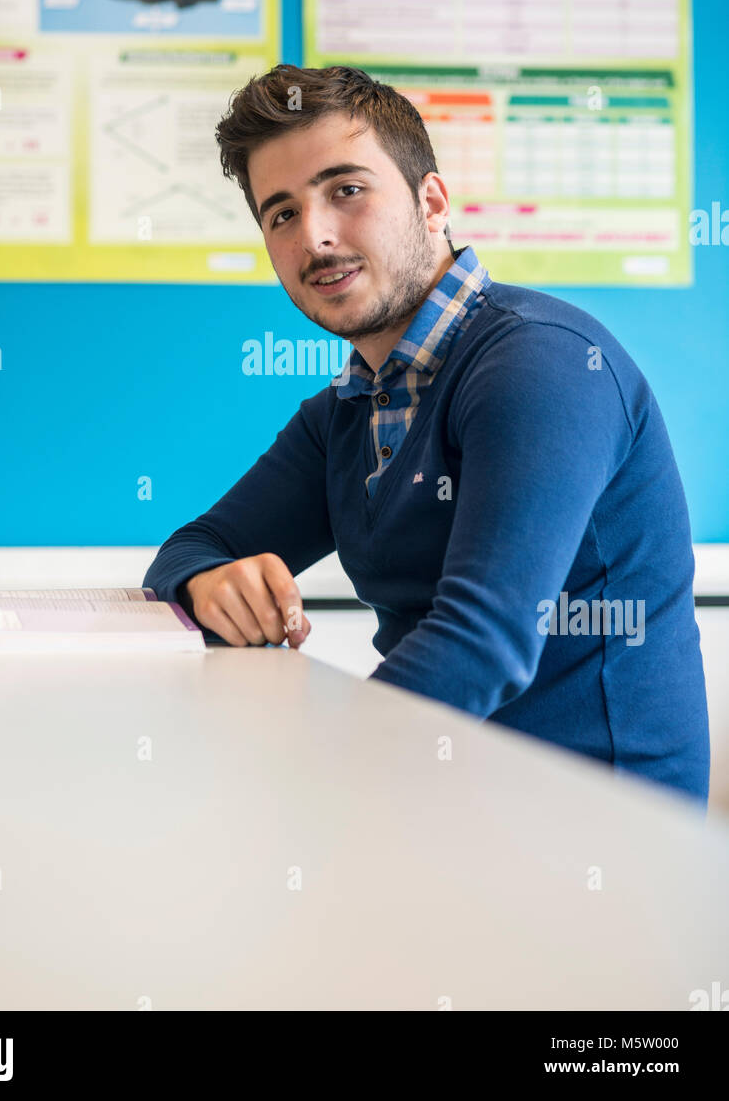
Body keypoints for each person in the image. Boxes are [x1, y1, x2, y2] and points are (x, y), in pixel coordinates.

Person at [143, 64, 710, 806]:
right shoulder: (347, 410)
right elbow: (187, 550)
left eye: (345, 190)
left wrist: (313, 779)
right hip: (441, 799)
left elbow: (482, 643)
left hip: (593, 839)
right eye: (280, 213)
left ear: (431, 200)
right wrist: (205, 581)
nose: (314, 236)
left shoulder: (540, 362)